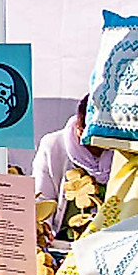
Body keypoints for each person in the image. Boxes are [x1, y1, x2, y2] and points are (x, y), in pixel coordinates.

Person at [31, 95, 112, 235]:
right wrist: (43, 229)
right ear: (79, 129)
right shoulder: (52, 145)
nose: (95, 146)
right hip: (62, 243)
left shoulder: (125, 151)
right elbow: (42, 199)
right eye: (87, 139)